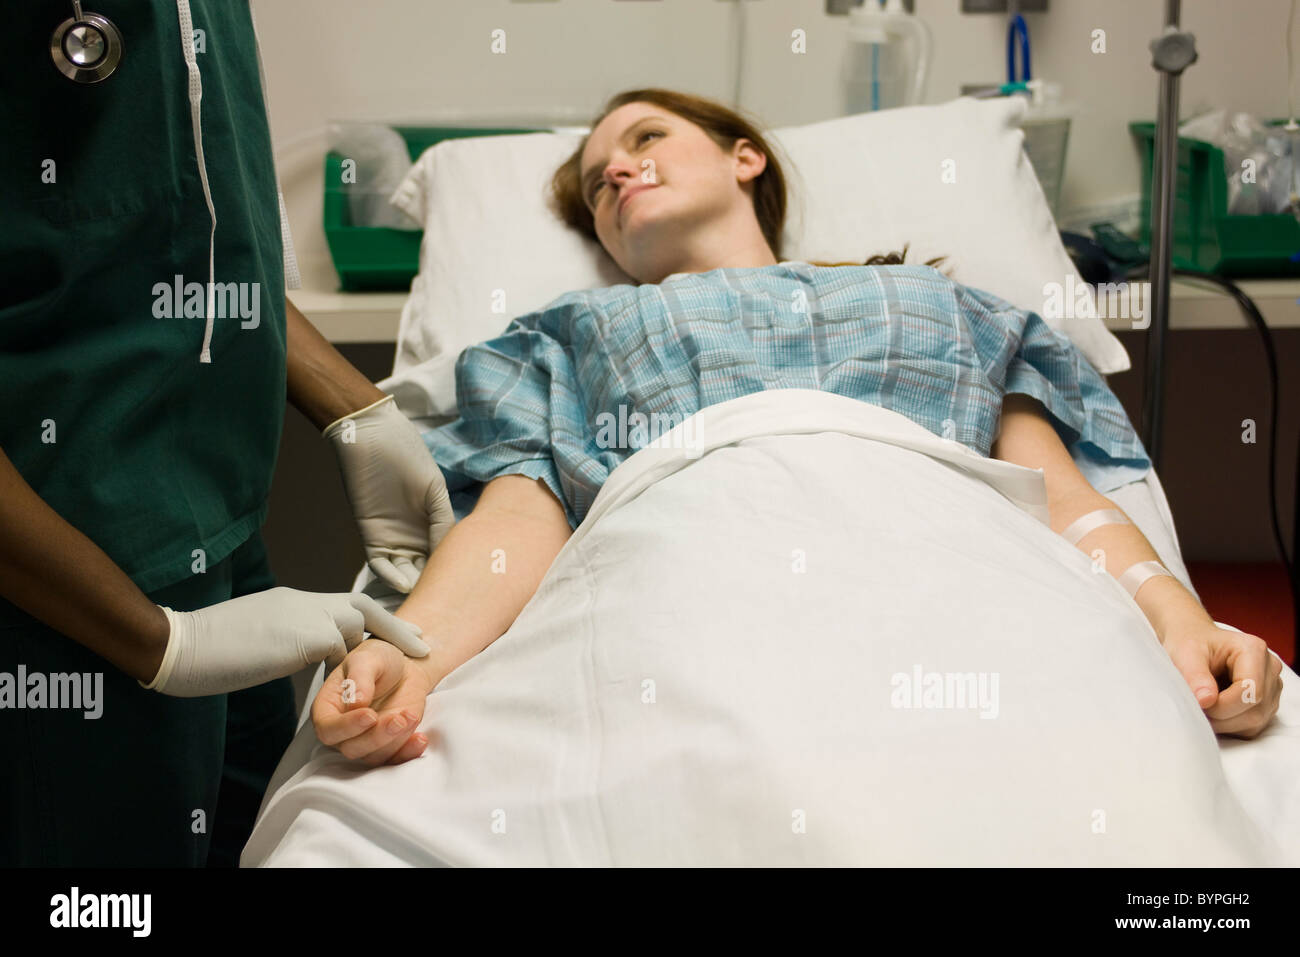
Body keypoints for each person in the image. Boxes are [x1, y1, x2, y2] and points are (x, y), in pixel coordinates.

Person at [312, 87, 1283, 768]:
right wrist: (418, 655)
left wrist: (1181, 618)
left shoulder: (935, 303)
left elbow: (1063, 499)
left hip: (952, 583)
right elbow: (515, 526)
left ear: (745, 157)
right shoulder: (570, 338)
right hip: (681, 587)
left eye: (645, 139)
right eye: (595, 183)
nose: (614, 169)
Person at [0, 1, 453, 866]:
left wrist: (355, 406)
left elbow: (186, 238)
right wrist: (164, 643)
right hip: (59, 576)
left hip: (219, 533)